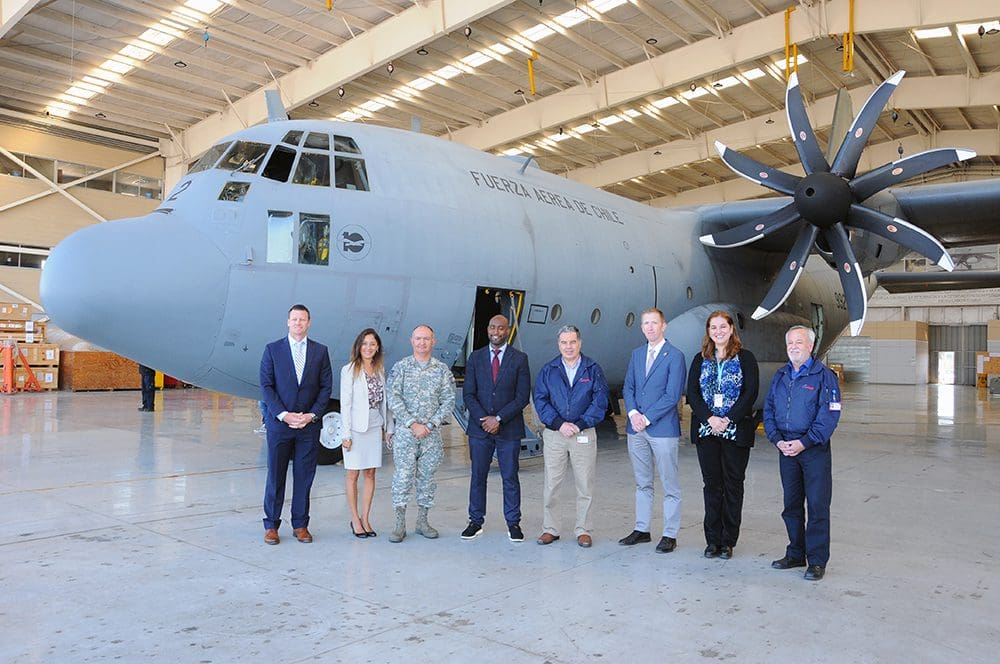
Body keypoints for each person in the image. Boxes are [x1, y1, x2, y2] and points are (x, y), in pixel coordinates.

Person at [764, 325, 841, 581]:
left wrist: (805, 442)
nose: (794, 347)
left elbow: (829, 415)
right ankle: (796, 553)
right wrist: (777, 440)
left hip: (813, 451)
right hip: (786, 450)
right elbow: (769, 409)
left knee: (817, 506)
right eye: (790, 343)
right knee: (791, 505)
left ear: (810, 346)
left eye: (799, 342)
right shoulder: (781, 375)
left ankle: (817, 561)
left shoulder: (824, 376)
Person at [685, 310, 759, 560]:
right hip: (707, 431)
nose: (718, 332)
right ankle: (712, 540)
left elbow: (750, 392)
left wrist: (727, 420)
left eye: (722, 327)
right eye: (713, 327)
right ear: (708, 331)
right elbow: (692, 393)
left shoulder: (745, 358)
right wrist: (710, 419)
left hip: (735, 431)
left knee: (733, 485)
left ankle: (728, 541)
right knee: (712, 486)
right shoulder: (699, 359)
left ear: (731, 329)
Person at [259, 304, 333, 545]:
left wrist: (312, 415)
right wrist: (283, 414)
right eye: (294, 319)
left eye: (302, 319)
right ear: (287, 322)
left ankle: (300, 524)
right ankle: (271, 525)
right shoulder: (273, 350)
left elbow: (326, 387)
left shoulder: (320, 351)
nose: (298, 323)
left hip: (308, 427)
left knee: (304, 477)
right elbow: (266, 386)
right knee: (275, 476)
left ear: (309, 323)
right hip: (280, 425)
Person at [533, 325, 609, 548]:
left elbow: (600, 400)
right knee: (552, 484)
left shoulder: (592, 369)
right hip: (555, 435)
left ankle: (583, 529)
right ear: (559, 345)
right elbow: (540, 400)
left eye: (572, 342)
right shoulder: (549, 370)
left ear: (580, 343)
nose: (569, 347)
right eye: (564, 342)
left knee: (585, 484)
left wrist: (580, 423)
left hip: (583, 433)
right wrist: (559, 424)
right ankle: (550, 529)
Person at [619, 308, 687, 554]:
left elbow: (672, 394)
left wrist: (646, 418)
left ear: (663, 326)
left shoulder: (675, 356)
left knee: (670, 484)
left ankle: (669, 534)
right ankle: (642, 529)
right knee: (642, 482)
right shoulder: (636, 354)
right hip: (636, 428)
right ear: (641, 327)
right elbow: (628, 387)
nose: (649, 327)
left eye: (654, 323)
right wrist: (632, 414)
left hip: (662, 429)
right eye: (645, 323)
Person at [461, 315, 531, 542]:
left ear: (507, 331)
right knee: (478, 476)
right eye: (492, 327)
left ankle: (513, 523)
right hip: (479, 429)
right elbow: (468, 394)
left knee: (510, 477)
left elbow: (522, 397)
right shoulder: (475, 357)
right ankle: (475, 521)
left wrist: (499, 418)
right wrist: (485, 419)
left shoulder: (519, 359)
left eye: (501, 328)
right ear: (487, 329)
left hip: (509, 429)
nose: (496, 332)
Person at [386, 325, 456, 543]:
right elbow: (393, 397)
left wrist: (430, 425)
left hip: (431, 436)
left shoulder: (442, 370)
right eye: (418, 338)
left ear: (433, 342)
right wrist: (412, 424)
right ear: (411, 341)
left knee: (427, 478)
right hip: (406, 435)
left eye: (426, 339)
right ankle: (399, 524)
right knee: (403, 477)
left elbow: (449, 400)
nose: (422, 343)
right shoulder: (401, 367)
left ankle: (422, 522)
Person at [340, 328, 394, 538]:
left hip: (374, 426)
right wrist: (346, 434)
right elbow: (345, 404)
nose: (368, 347)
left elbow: (384, 403)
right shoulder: (349, 370)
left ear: (377, 347)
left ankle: (366, 518)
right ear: (358, 346)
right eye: (364, 344)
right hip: (355, 428)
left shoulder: (379, 370)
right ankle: (355, 519)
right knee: (353, 474)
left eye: (372, 344)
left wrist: (389, 428)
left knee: (370, 473)